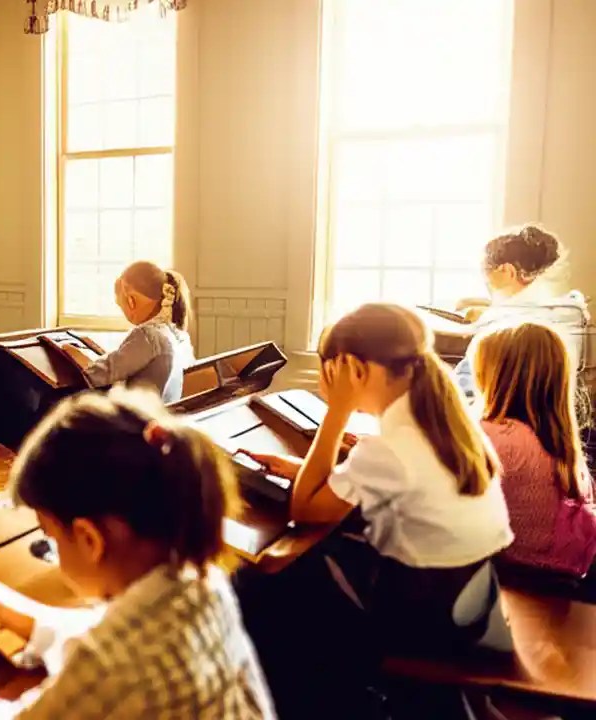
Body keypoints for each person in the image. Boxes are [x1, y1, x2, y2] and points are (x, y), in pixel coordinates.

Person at [0, 387, 275, 719]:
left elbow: (104, 659)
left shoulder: (114, 665)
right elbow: (104, 635)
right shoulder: (198, 578)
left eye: (52, 537)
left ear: (89, 540)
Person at [240, 303, 513, 717]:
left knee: (260, 584)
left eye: (329, 371)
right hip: (472, 605)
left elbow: (304, 509)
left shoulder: (389, 449)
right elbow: (387, 486)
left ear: (354, 369)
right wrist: (305, 469)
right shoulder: (443, 428)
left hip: (425, 621)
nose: (325, 381)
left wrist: (336, 411)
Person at [471, 321, 596, 579]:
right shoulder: (559, 445)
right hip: (558, 578)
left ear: (497, 379)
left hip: (512, 580)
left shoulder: (496, 438)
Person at [445, 225, 590, 398]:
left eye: (486, 274)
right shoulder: (568, 312)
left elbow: (466, 388)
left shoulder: (504, 324)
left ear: (508, 271)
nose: (486, 283)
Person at [47, 262, 195, 403]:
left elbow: (100, 375)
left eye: (121, 305)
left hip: (138, 423)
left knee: (52, 402)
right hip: (160, 416)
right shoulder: (174, 333)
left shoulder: (147, 335)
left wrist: (73, 353)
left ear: (131, 300)